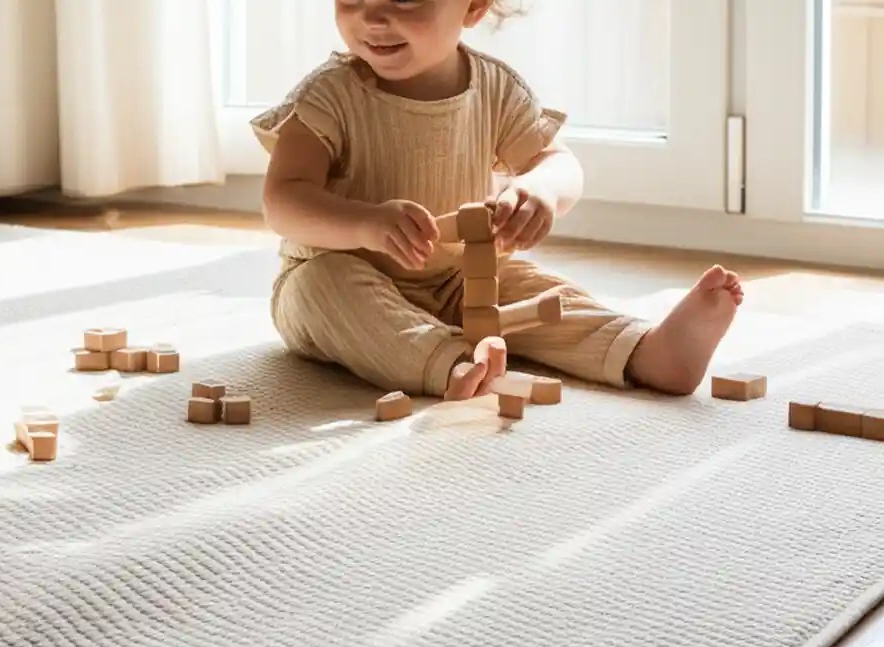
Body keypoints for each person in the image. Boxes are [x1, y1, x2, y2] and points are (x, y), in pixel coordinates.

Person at [252, 0, 744, 401]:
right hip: (334, 273)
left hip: (458, 278)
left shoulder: (494, 88)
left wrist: (539, 190)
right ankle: (449, 361)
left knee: (538, 295)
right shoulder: (328, 96)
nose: (372, 18)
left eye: (405, 0)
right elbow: (283, 201)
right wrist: (364, 223)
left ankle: (643, 349)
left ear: (474, 7)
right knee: (326, 290)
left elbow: (558, 160)